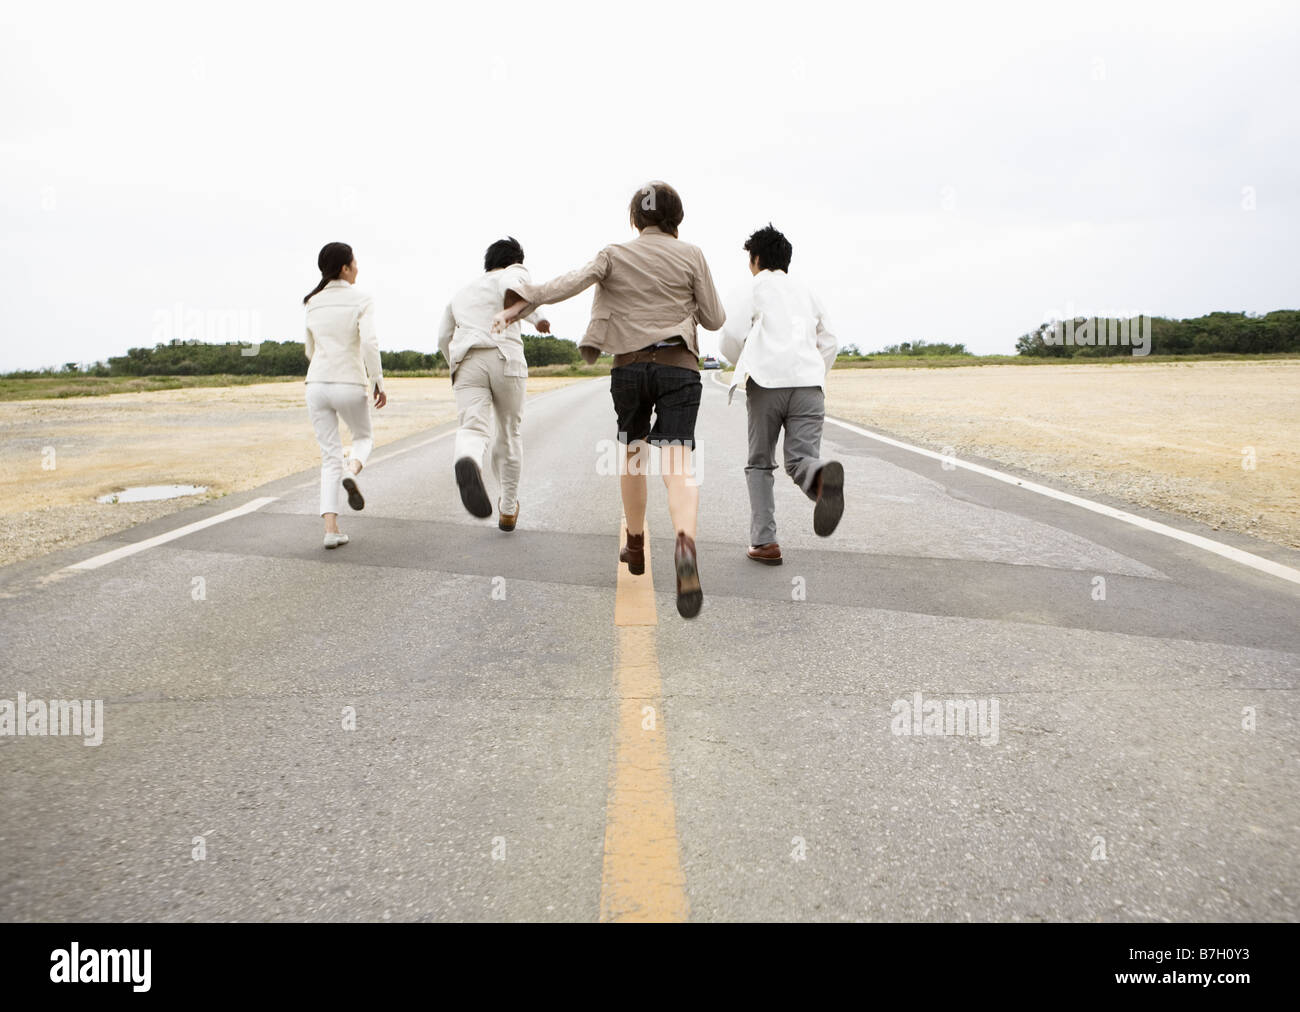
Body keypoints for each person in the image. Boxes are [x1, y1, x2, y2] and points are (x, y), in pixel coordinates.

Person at [492, 182, 724, 618]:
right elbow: (714, 317)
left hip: (630, 369)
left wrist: (517, 308)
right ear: (677, 219)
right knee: (677, 467)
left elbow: (570, 282)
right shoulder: (692, 254)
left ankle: (634, 545)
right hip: (678, 365)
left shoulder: (613, 253)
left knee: (633, 454)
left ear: (634, 218)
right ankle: (684, 543)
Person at [719, 224, 842, 565]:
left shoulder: (755, 287)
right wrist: (814, 371)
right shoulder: (807, 290)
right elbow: (829, 339)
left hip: (766, 384)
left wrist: (743, 361)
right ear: (786, 260)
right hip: (809, 387)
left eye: (750, 259)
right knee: (800, 459)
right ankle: (819, 477)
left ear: (756, 258)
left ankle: (765, 543)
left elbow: (731, 333)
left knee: (760, 463)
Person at [437, 237, 550, 531]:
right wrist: (538, 318)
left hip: (467, 359)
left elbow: (442, 336)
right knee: (509, 432)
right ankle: (508, 508)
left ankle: (468, 459)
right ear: (516, 261)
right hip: (505, 359)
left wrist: (455, 360)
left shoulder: (461, 292)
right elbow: (515, 289)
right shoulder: (514, 273)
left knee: (472, 427)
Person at [303, 241, 387, 548]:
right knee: (363, 439)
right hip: (349, 382)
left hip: (316, 385)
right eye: (355, 262)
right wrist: (377, 379)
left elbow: (310, 349)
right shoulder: (362, 299)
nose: (358, 268)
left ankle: (331, 529)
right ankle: (352, 471)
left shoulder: (312, 302)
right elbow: (370, 342)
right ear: (344, 268)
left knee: (329, 458)